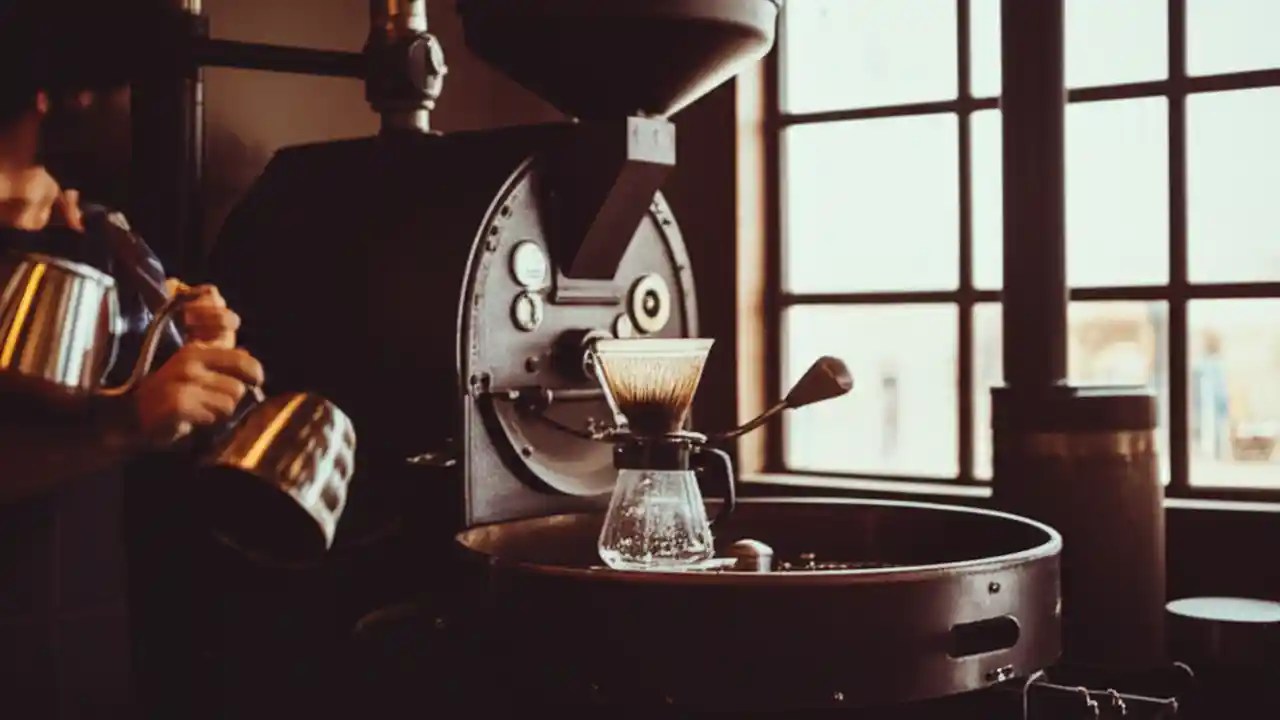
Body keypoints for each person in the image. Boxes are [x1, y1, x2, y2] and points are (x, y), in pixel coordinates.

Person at [0, 2, 265, 716]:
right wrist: (121, 427)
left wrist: (207, 365)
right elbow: (131, 427)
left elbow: (179, 444)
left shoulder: (109, 242)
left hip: (92, 663)